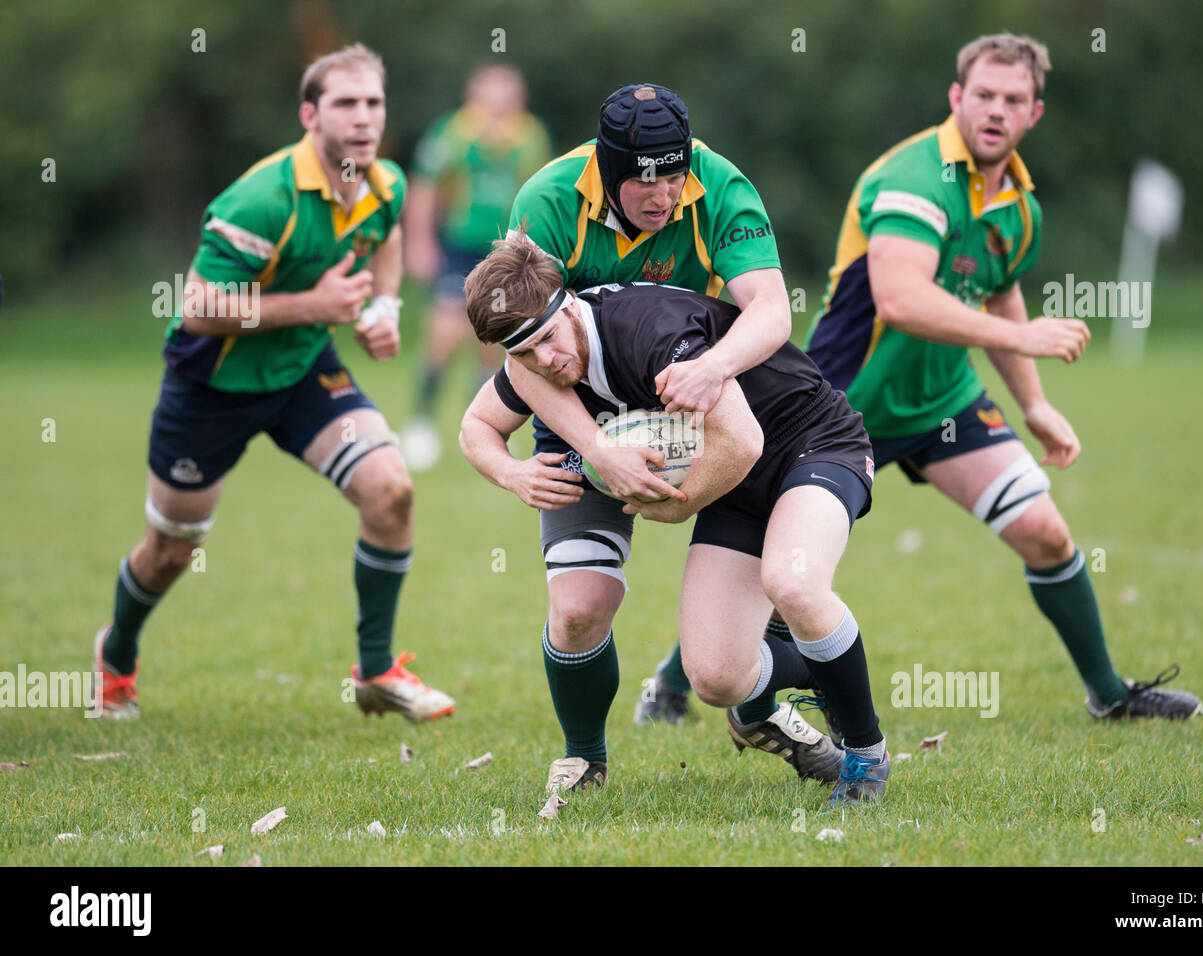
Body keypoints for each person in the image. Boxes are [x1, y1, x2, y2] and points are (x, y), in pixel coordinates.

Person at [800, 33, 1202, 719]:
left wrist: (1035, 403)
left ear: (1033, 114)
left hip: (942, 403)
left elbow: (999, 290)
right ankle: (679, 682)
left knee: (1046, 533)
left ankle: (1108, 696)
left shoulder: (1019, 204)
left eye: (1013, 100)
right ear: (957, 98)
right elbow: (902, 299)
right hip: (844, 406)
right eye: (983, 95)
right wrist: (1022, 337)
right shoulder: (916, 179)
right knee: (784, 572)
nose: (995, 110)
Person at [90, 44, 453, 723]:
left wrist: (382, 309)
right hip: (213, 385)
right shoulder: (261, 198)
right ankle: (117, 656)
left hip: (302, 371)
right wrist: (315, 307)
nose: (364, 118)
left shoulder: (384, 183)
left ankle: (376, 671)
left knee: (391, 490)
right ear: (310, 115)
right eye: (346, 103)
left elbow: (390, 241)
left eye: (373, 103)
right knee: (171, 551)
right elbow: (198, 308)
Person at [461, 236, 889, 806]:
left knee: (793, 581)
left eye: (546, 341)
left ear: (567, 305)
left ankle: (866, 757)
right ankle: (823, 670)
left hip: (810, 444)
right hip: (736, 481)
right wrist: (514, 474)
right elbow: (476, 428)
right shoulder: (537, 356)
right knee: (714, 676)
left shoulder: (648, 332)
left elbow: (742, 439)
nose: (544, 363)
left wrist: (679, 503)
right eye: (523, 355)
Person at [484, 84, 830, 786]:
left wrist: (713, 370)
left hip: (692, 404)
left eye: (674, 176)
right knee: (581, 609)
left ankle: (756, 700)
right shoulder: (546, 203)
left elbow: (770, 311)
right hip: (582, 412)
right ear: (607, 172)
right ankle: (585, 758)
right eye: (645, 181)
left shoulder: (720, 185)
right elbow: (524, 355)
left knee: (748, 626)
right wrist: (597, 450)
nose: (664, 196)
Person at [400, 64, 551, 471]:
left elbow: (537, 193)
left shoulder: (530, 136)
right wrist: (418, 242)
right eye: (491, 101)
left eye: (507, 102)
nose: (498, 110)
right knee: (444, 334)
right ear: (473, 99)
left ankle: (487, 434)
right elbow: (425, 189)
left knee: (491, 345)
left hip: (502, 253)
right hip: (458, 248)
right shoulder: (450, 134)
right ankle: (421, 423)